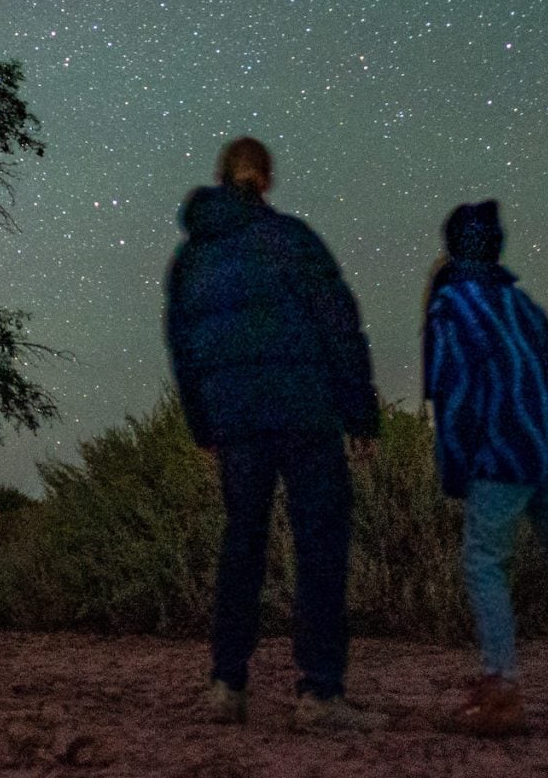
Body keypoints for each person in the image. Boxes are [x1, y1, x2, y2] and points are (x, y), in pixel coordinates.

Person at [166, 136, 385, 732]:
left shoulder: (191, 258)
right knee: (320, 545)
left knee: (242, 543)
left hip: (237, 422)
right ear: (264, 179)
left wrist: (203, 425)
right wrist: (360, 413)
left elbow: (183, 350)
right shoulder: (293, 240)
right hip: (307, 413)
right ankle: (320, 693)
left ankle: (227, 685)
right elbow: (341, 326)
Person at [422, 200, 548, 737]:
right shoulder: (525, 306)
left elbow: (452, 391)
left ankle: (501, 689)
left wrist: (456, 466)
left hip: (499, 455)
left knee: (485, 562)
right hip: (546, 453)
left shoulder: (452, 304)